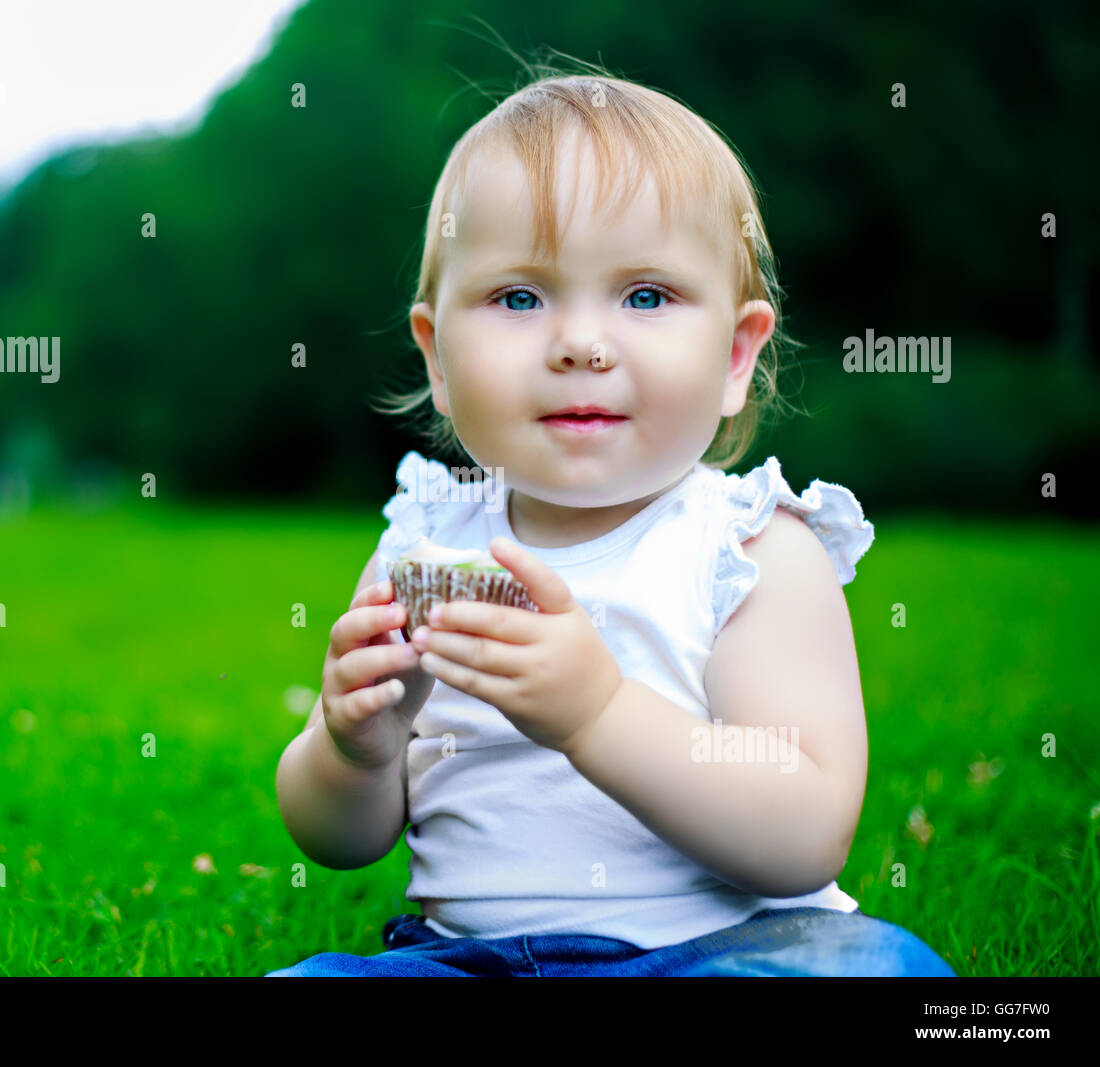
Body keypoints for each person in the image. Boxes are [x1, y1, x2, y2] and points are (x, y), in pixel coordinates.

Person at [267, 61, 955, 977]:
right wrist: (352, 744)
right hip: (468, 961)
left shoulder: (750, 547)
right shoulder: (424, 543)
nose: (582, 344)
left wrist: (596, 715)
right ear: (437, 354)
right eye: (519, 297)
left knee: (865, 973)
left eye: (645, 296)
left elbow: (806, 831)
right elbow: (340, 837)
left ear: (735, 355)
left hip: (720, 952)